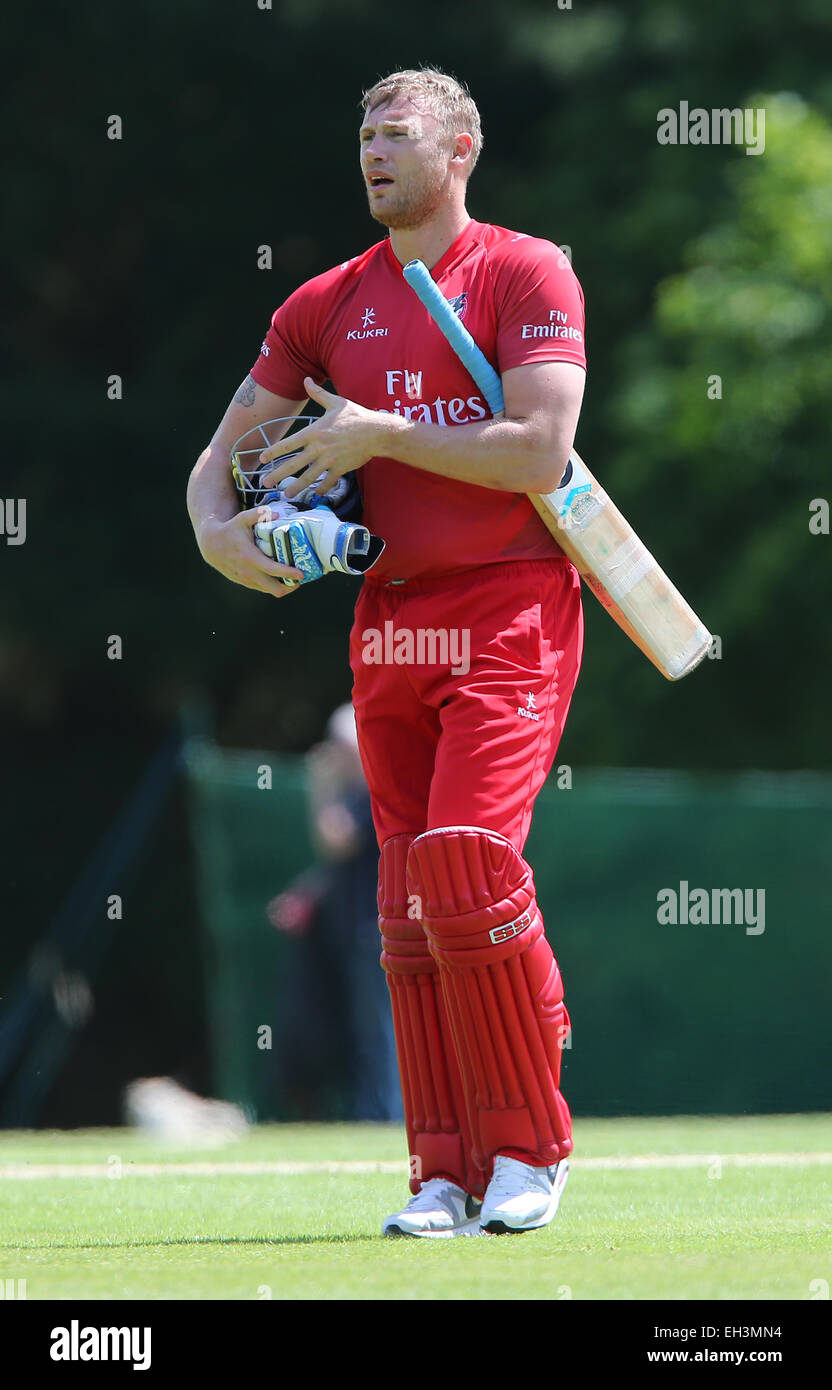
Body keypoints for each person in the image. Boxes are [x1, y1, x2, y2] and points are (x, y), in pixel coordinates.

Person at [187, 67, 587, 1237]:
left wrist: (375, 431)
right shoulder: (324, 303)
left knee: (465, 859)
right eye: (363, 132)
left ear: (459, 149)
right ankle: (442, 1173)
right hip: (391, 619)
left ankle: (529, 1150)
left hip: (512, 601)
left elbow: (535, 451)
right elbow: (220, 460)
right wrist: (216, 536)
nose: (372, 149)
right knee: (410, 906)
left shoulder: (526, 269)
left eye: (396, 132)